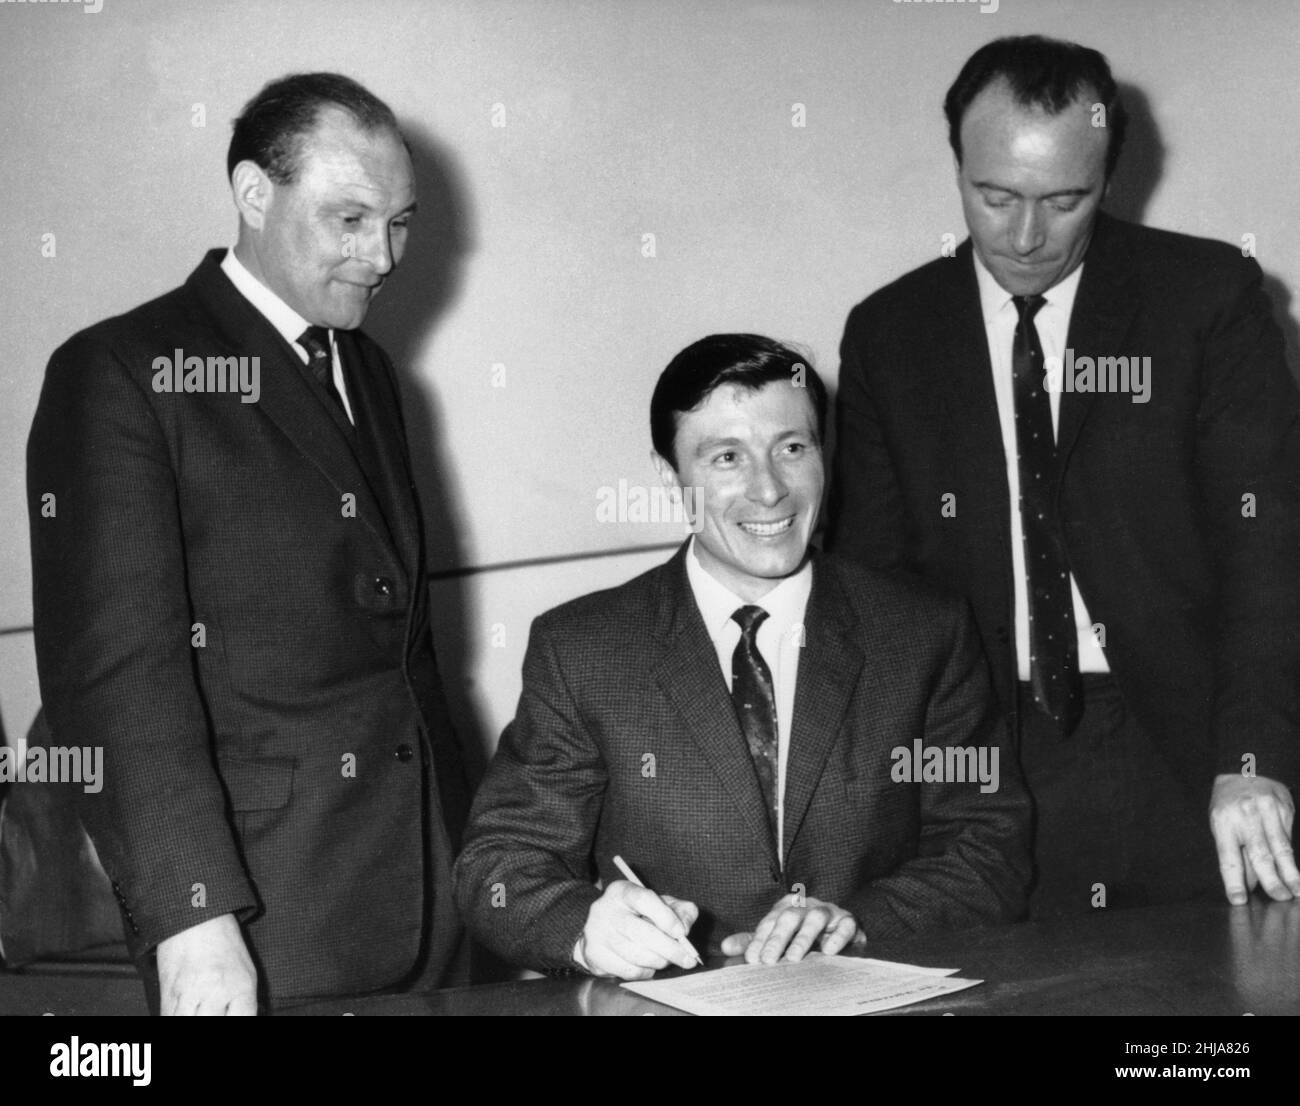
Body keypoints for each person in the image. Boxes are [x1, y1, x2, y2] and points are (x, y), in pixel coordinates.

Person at [828, 35, 1300, 917]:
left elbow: (1267, 555)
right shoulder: (891, 334)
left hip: (1182, 743)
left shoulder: (1204, 299)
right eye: (993, 195)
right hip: (979, 758)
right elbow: (875, 590)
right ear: (957, 166)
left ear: (1111, 178)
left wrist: (1253, 762)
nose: (1024, 236)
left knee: (1195, 1043)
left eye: (1064, 200)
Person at [27, 72, 469, 1013]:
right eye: (349, 219)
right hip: (264, 918)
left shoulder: (372, 372)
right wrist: (192, 918)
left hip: (430, 903)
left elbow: (404, 660)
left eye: (399, 222)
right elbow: (114, 679)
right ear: (253, 193)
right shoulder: (121, 372)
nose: (382, 255)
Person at [453, 334, 1030, 979]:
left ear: (824, 454)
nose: (769, 491)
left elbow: (989, 846)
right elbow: (500, 864)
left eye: (791, 448)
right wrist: (586, 928)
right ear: (671, 477)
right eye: (726, 458)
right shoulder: (585, 649)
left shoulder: (923, 633)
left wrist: (861, 923)